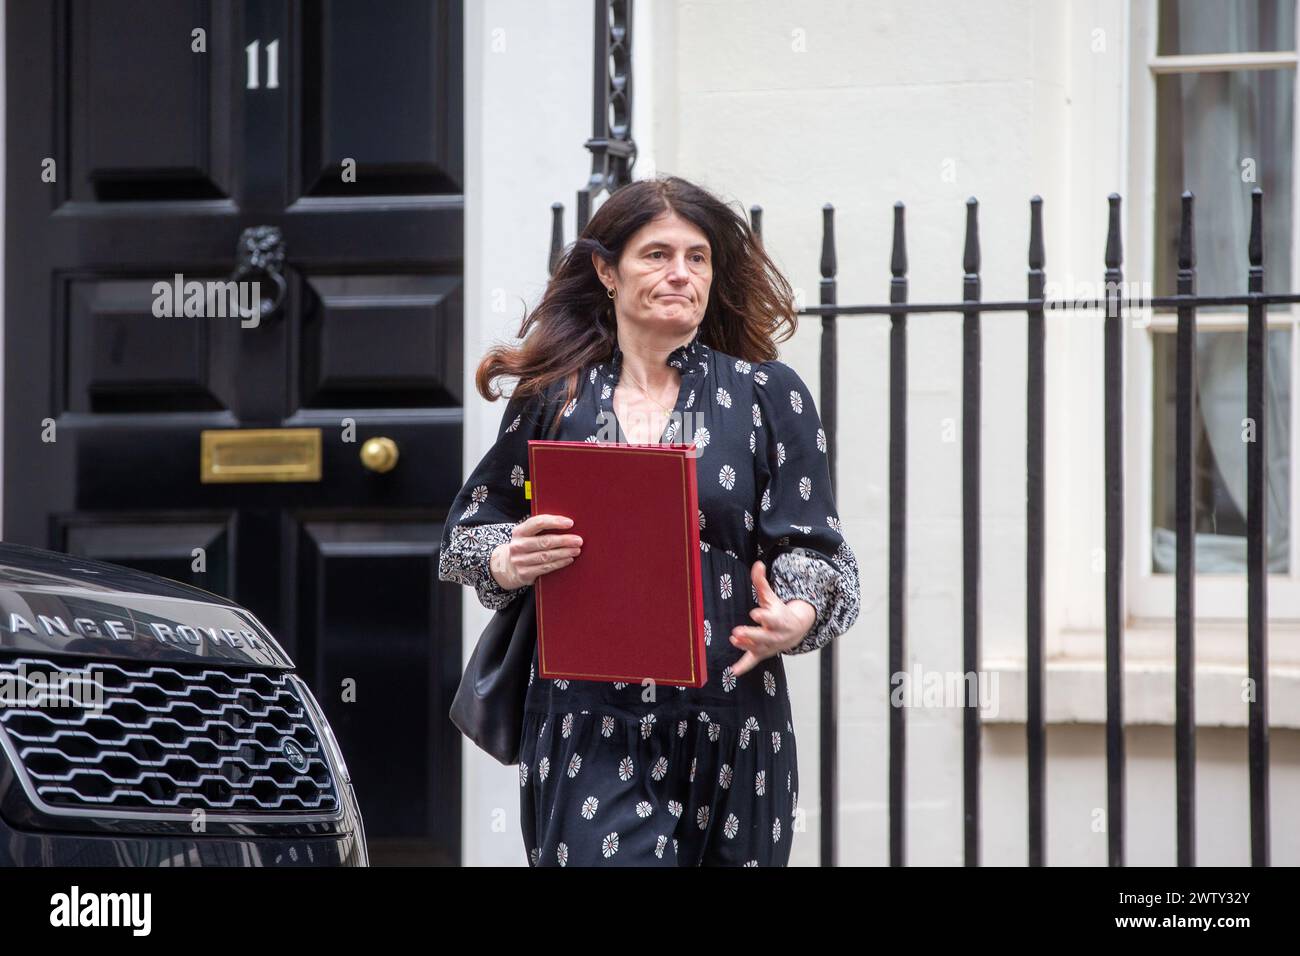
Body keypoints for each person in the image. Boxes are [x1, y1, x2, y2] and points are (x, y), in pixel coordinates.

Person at [438, 175, 860, 866]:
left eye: (697, 258)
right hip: (585, 722)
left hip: (735, 718)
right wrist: (508, 558)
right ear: (606, 270)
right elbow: (467, 534)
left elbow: (816, 551)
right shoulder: (556, 398)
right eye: (656, 254)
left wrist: (800, 613)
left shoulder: (766, 396)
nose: (680, 273)